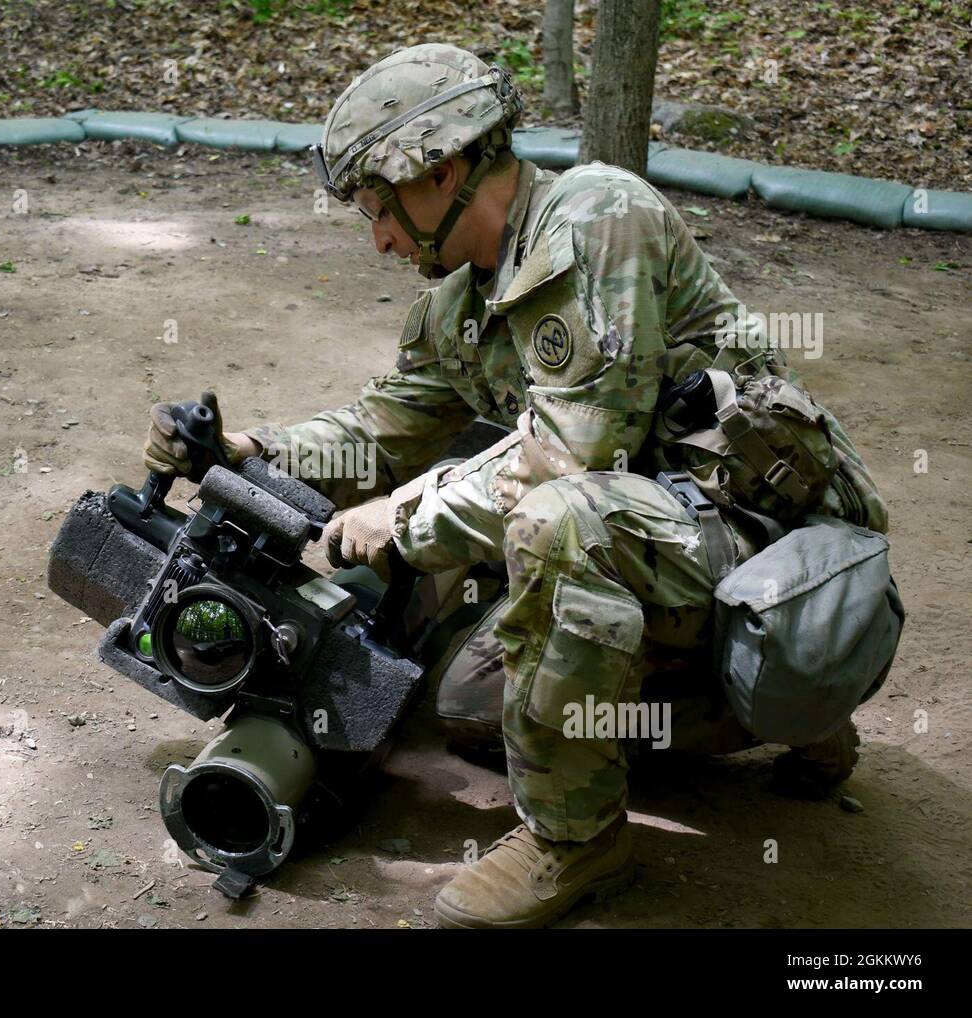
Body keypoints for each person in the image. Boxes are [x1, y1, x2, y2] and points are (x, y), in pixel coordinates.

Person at [143, 44, 888, 929]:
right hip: (663, 541)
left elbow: (578, 452)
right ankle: (769, 702)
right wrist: (242, 452)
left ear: (441, 170)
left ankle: (581, 837)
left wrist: (406, 514)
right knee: (469, 707)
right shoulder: (465, 307)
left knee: (554, 521)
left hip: (770, 545)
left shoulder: (598, 216)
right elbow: (379, 431)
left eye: (378, 209)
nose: (378, 238)